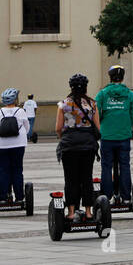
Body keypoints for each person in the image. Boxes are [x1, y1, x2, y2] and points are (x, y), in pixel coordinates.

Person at [55, 74, 100, 221]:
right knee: (86, 178)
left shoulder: (63, 104)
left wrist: (63, 139)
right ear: (86, 87)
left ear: (71, 87)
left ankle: (72, 212)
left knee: (71, 179)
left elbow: (58, 128)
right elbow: (98, 128)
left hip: (69, 146)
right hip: (88, 145)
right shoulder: (92, 104)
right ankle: (88, 212)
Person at [95, 65, 133, 204]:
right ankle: (126, 197)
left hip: (107, 136)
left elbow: (96, 114)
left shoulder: (102, 94)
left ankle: (107, 197)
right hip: (124, 136)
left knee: (106, 166)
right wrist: (126, 124)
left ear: (110, 76)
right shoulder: (130, 94)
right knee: (124, 165)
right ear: (123, 77)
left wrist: (103, 125)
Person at [0, 87, 30, 202]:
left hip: (1, 145)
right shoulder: (21, 111)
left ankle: (2, 198)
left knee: (4, 170)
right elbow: (27, 128)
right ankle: (20, 198)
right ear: (15, 99)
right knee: (17, 170)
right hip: (18, 145)